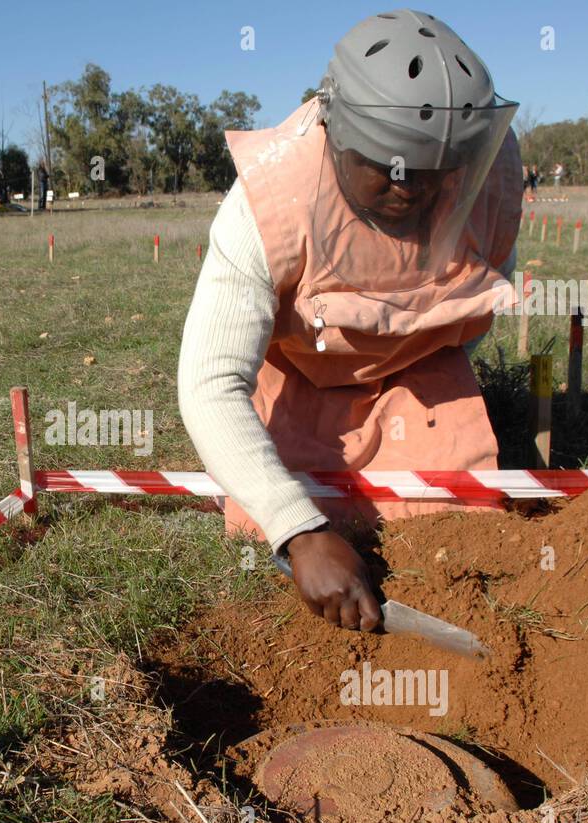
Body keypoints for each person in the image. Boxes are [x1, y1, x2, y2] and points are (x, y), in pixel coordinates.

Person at [179, 8, 521, 631]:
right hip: (302, 377)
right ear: (337, 133)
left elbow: (477, 299)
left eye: (436, 174)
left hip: (424, 375)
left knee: (459, 531)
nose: (413, 189)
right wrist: (299, 531)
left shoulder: (489, 173)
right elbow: (207, 385)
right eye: (391, 168)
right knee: (277, 520)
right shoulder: (266, 207)